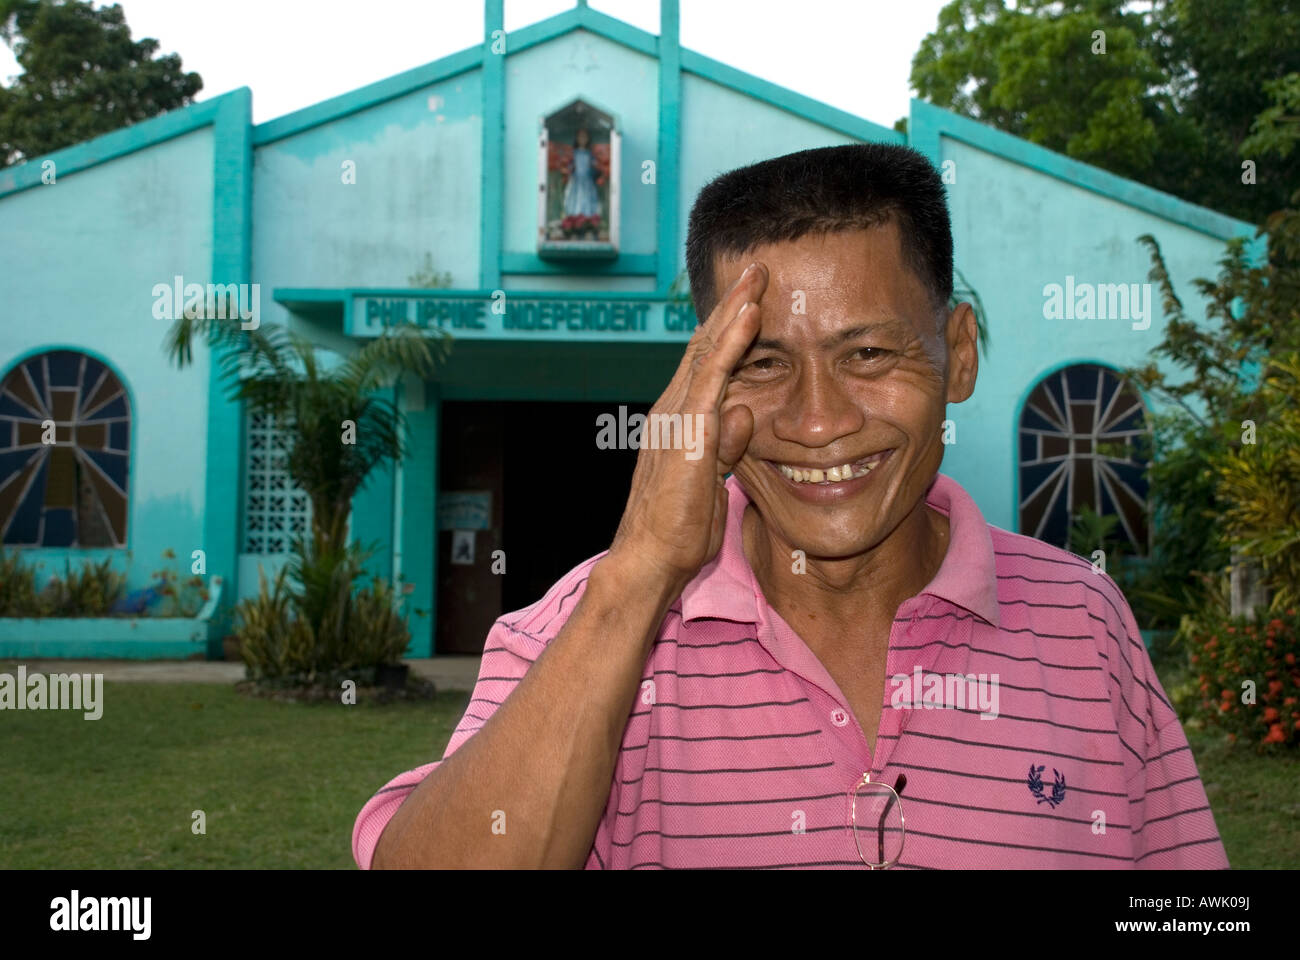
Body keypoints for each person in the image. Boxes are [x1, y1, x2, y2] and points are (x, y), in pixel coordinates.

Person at [354, 143, 1228, 869]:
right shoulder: (581, 631)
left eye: (870, 354)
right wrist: (640, 575)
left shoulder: (1086, 623)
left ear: (957, 355)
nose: (819, 422)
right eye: (763, 366)